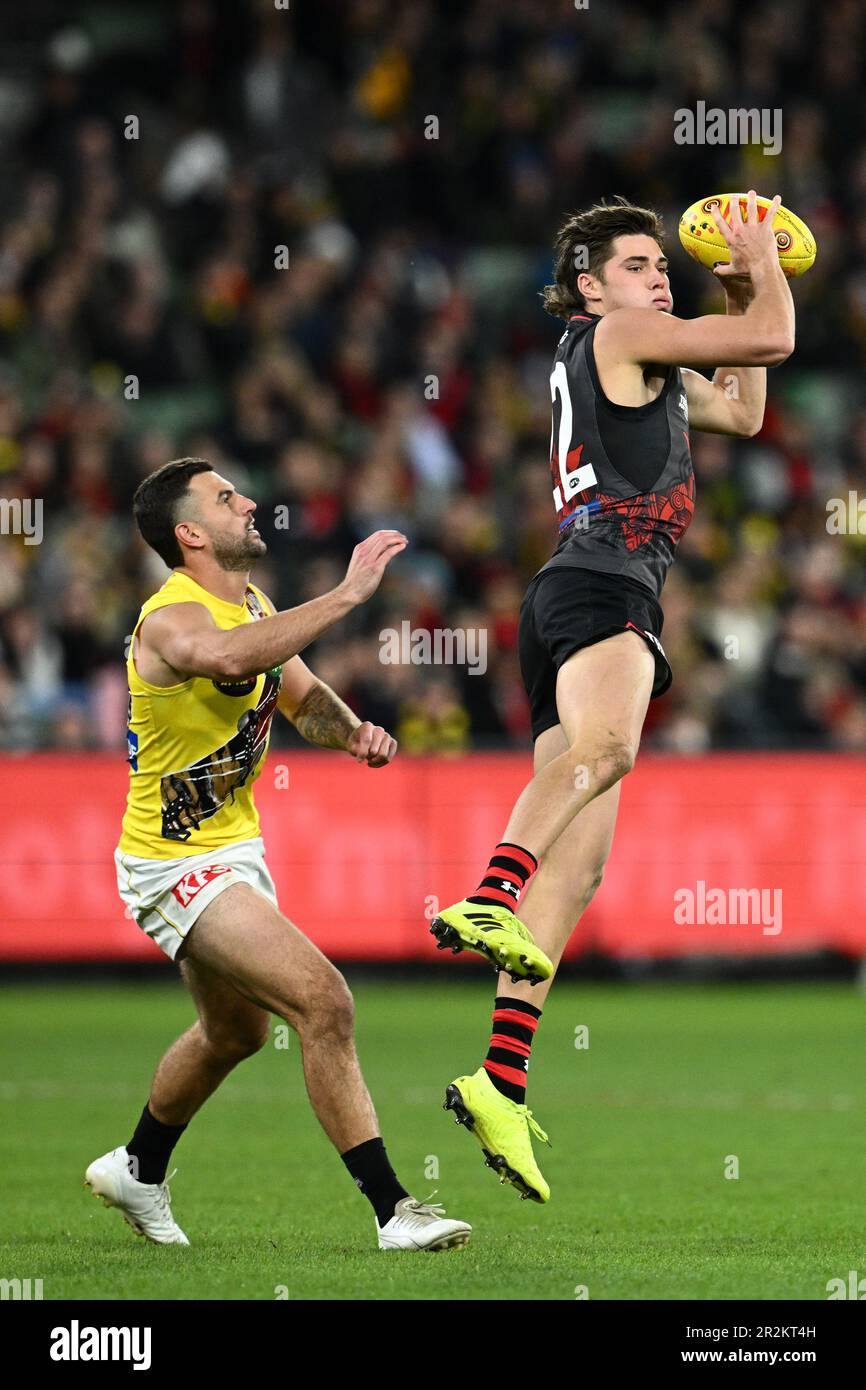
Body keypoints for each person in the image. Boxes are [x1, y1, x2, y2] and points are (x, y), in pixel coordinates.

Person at [433, 192, 795, 1202]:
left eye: (657, 264)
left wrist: (727, 286)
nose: (654, 276)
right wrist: (763, 263)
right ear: (588, 283)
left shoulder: (642, 356)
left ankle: (498, 1077)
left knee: (581, 866)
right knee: (608, 753)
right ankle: (485, 894)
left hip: (572, 587)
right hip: (604, 579)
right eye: (636, 262)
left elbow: (746, 401)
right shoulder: (621, 330)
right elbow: (769, 336)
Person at [85, 457, 470, 1252]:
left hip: (234, 847)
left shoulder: (252, 604)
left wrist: (352, 731)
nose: (249, 501)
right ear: (189, 533)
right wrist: (345, 596)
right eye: (226, 498)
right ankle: (394, 1212)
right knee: (324, 1003)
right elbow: (228, 661)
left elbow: (300, 696)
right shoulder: (170, 618)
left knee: (235, 1035)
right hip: (171, 860)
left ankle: (139, 1169)